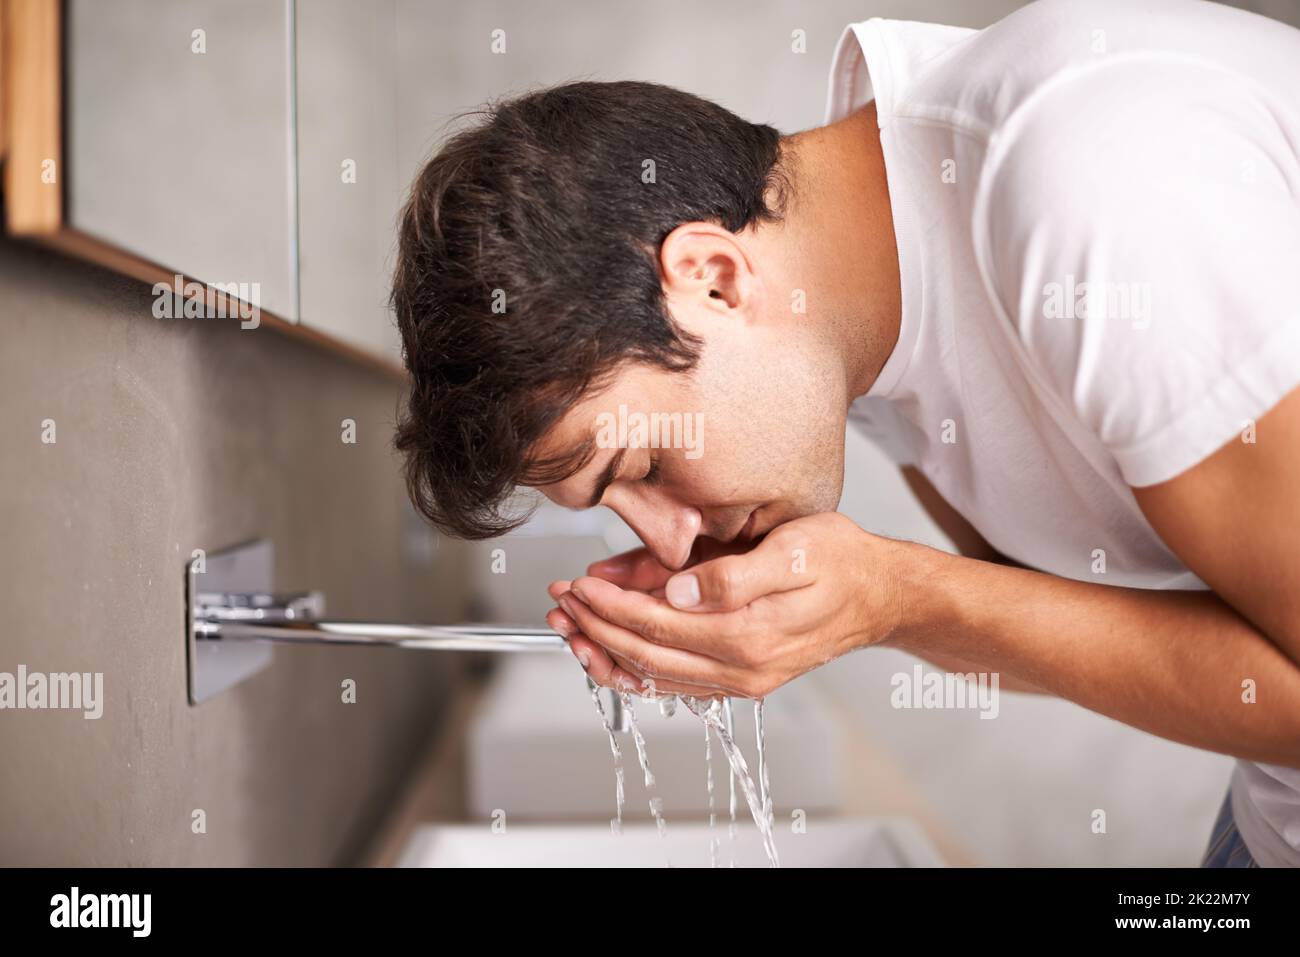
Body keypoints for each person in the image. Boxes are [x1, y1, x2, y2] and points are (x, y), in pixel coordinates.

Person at [389, 0, 1300, 866]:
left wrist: (899, 596)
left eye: (644, 462)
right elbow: (1049, 619)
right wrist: (834, 609)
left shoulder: (1091, 194)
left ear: (713, 277)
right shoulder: (863, 318)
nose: (670, 537)